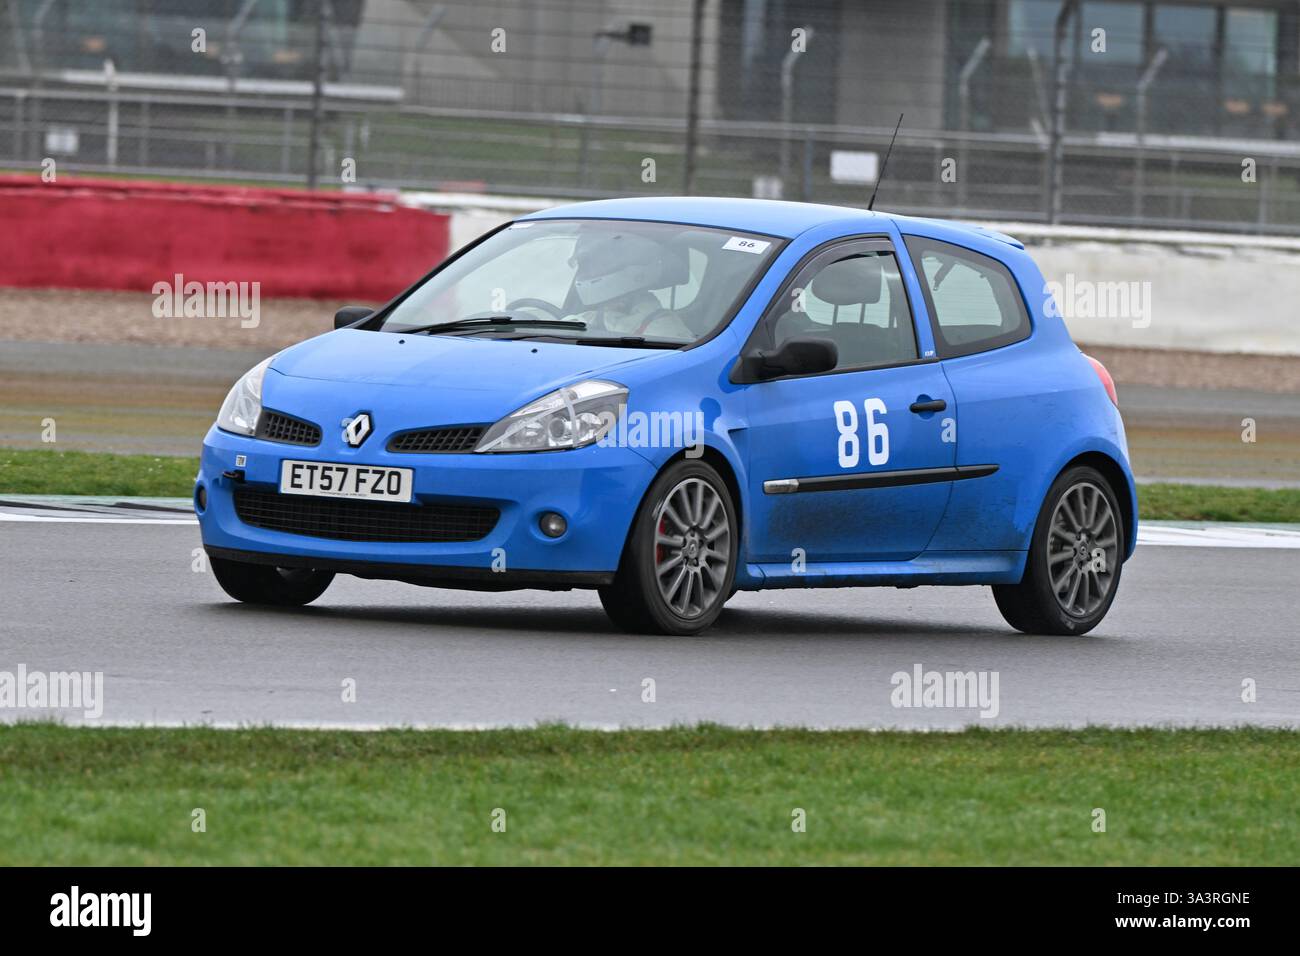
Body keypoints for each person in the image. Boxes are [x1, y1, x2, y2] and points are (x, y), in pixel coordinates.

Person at [566, 231, 692, 339]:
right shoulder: (589, 318)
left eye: (597, 265)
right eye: (584, 266)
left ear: (634, 269)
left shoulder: (667, 332)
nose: (587, 273)